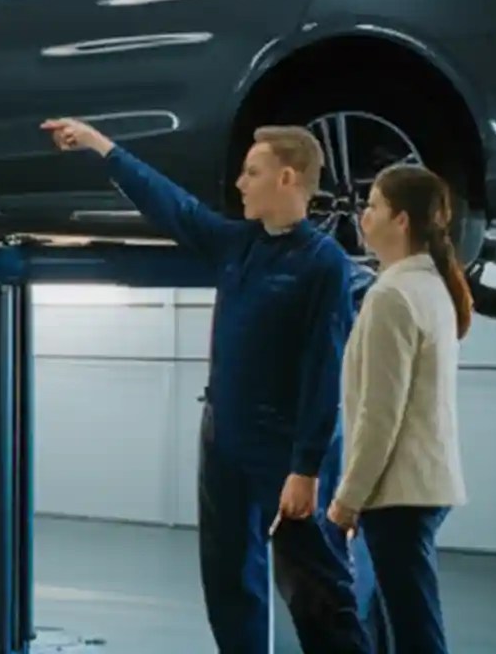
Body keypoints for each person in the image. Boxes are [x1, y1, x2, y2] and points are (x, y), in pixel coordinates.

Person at [41, 117, 372, 654]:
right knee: (228, 581)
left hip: (285, 453)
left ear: (287, 179)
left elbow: (324, 370)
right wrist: (104, 148)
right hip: (223, 444)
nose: (240, 183)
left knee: (319, 590)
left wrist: (306, 468)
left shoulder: (324, 265)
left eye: (252, 172)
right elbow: (172, 206)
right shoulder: (237, 244)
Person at [326, 164, 470, 654]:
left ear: (402, 221)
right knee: (392, 622)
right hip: (424, 485)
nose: (362, 217)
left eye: (373, 207)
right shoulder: (432, 287)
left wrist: (348, 499)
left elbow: (379, 414)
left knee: (414, 630)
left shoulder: (392, 295)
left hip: (398, 492)